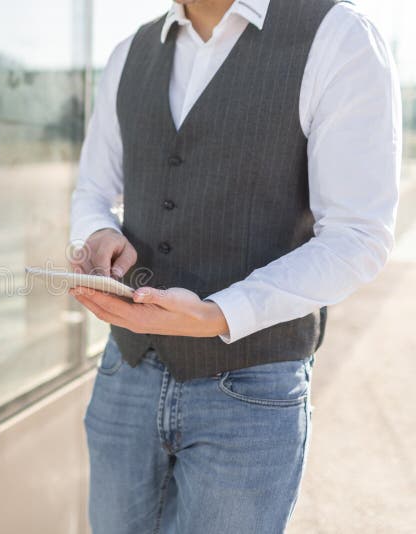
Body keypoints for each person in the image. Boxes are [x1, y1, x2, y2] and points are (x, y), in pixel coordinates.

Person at [69, 0, 400, 532]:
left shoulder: (338, 36)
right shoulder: (129, 53)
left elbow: (357, 236)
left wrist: (222, 313)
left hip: (251, 387)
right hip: (125, 373)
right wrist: (98, 232)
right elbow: (93, 190)